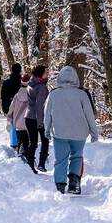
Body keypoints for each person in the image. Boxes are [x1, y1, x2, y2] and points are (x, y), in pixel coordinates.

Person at [42, 65, 99, 194]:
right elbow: (89, 114)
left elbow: (47, 114)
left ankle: (60, 186)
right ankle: (74, 184)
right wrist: (93, 132)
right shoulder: (82, 94)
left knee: (61, 159)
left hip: (60, 132)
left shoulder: (53, 94)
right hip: (80, 133)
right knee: (76, 157)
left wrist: (47, 129)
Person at [7, 74, 38, 173]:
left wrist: (9, 121)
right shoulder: (33, 95)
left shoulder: (16, 96)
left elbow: (10, 110)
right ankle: (29, 166)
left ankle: (23, 167)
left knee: (21, 143)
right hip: (30, 125)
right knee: (29, 146)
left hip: (18, 126)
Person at [26, 64, 50, 171]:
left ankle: (30, 165)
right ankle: (41, 164)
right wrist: (41, 122)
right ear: (41, 74)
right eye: (46, 72)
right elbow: (40, 106)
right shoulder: (42, 87)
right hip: (37, 118)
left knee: (33, 142)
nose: (48, 74)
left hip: (28, 116)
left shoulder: (30, 84)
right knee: (45, 141)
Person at [0, 63, 23, 153]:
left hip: (10, 107)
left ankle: (14, 144)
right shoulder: (23, 83)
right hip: (22, 108)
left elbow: (3, 97)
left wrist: (5, 109)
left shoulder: (6, 83)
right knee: (22, 125)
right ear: (20, 71)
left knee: (12, 125)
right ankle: (21, 143)